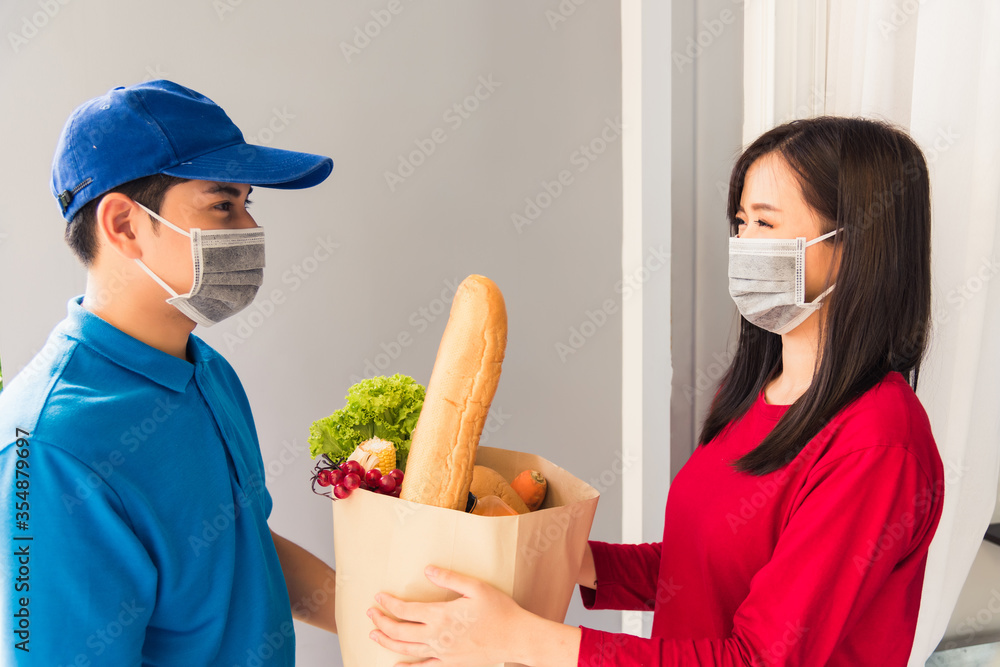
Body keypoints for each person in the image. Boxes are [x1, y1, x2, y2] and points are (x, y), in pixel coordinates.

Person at [367, 116, 945, 665]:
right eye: (740, 222)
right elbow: (701, 571)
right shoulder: (753, 393)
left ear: (857, 245)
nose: (743, 242)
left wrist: (527, 640)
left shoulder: (877, 445)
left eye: (765, 224)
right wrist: (542, 554)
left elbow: (761, 659)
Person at [0, 80, 341, 664]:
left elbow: (239, 553)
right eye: (222, 205)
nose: (248, 232)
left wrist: (412, 628)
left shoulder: (205, 371)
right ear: (124, 225)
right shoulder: (50, 447)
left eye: (246, 204)